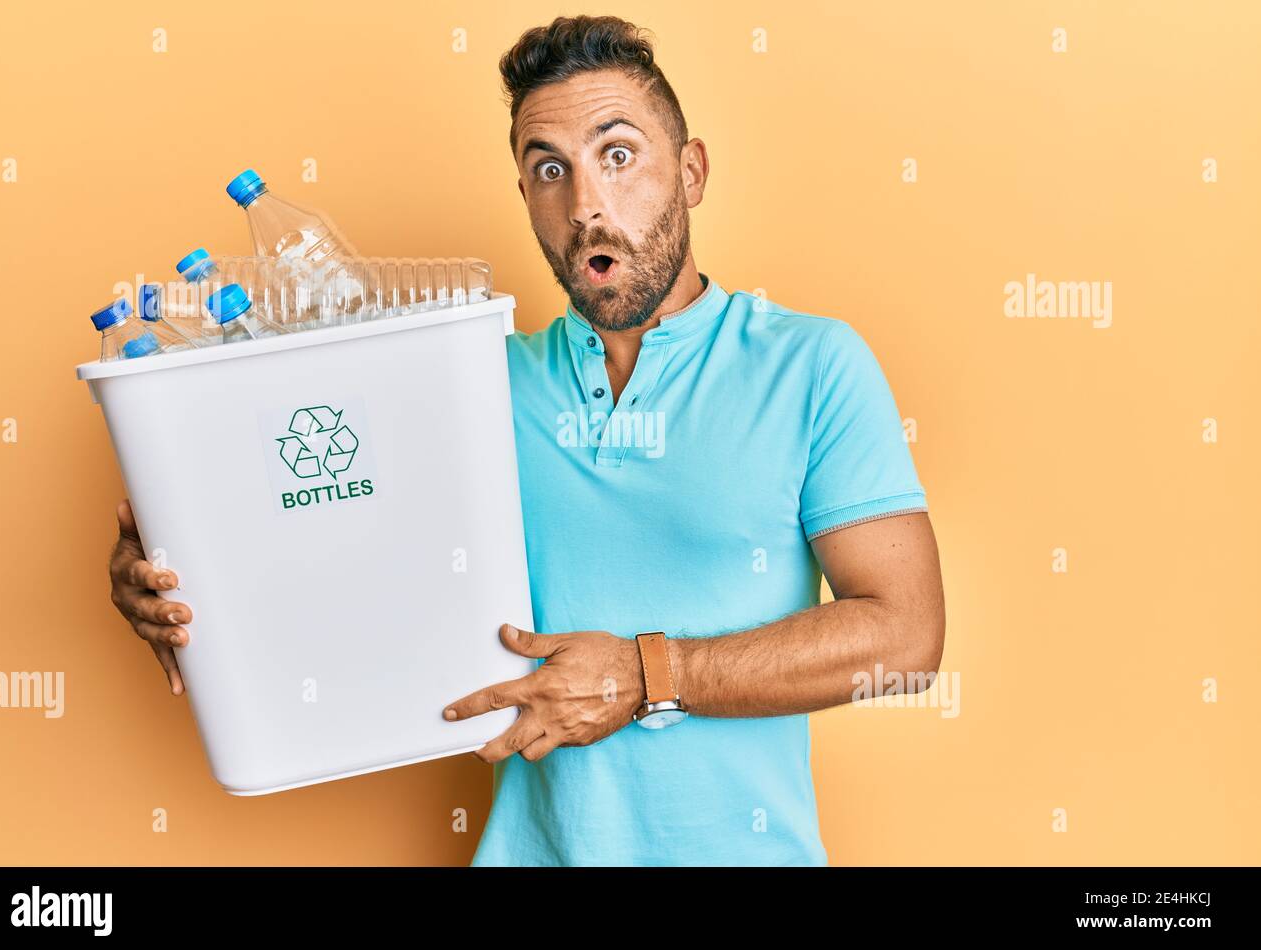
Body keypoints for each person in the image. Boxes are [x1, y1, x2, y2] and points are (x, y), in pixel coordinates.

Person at [107, 14, 945, 866]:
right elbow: (318, 532)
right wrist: (174, 573)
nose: (586, 205)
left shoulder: (810, 365)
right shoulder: (467, 386)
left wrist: (645, 676)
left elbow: (905, 637)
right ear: (526, 196)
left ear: (691, 172)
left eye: (617, 155)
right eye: (551, 169)